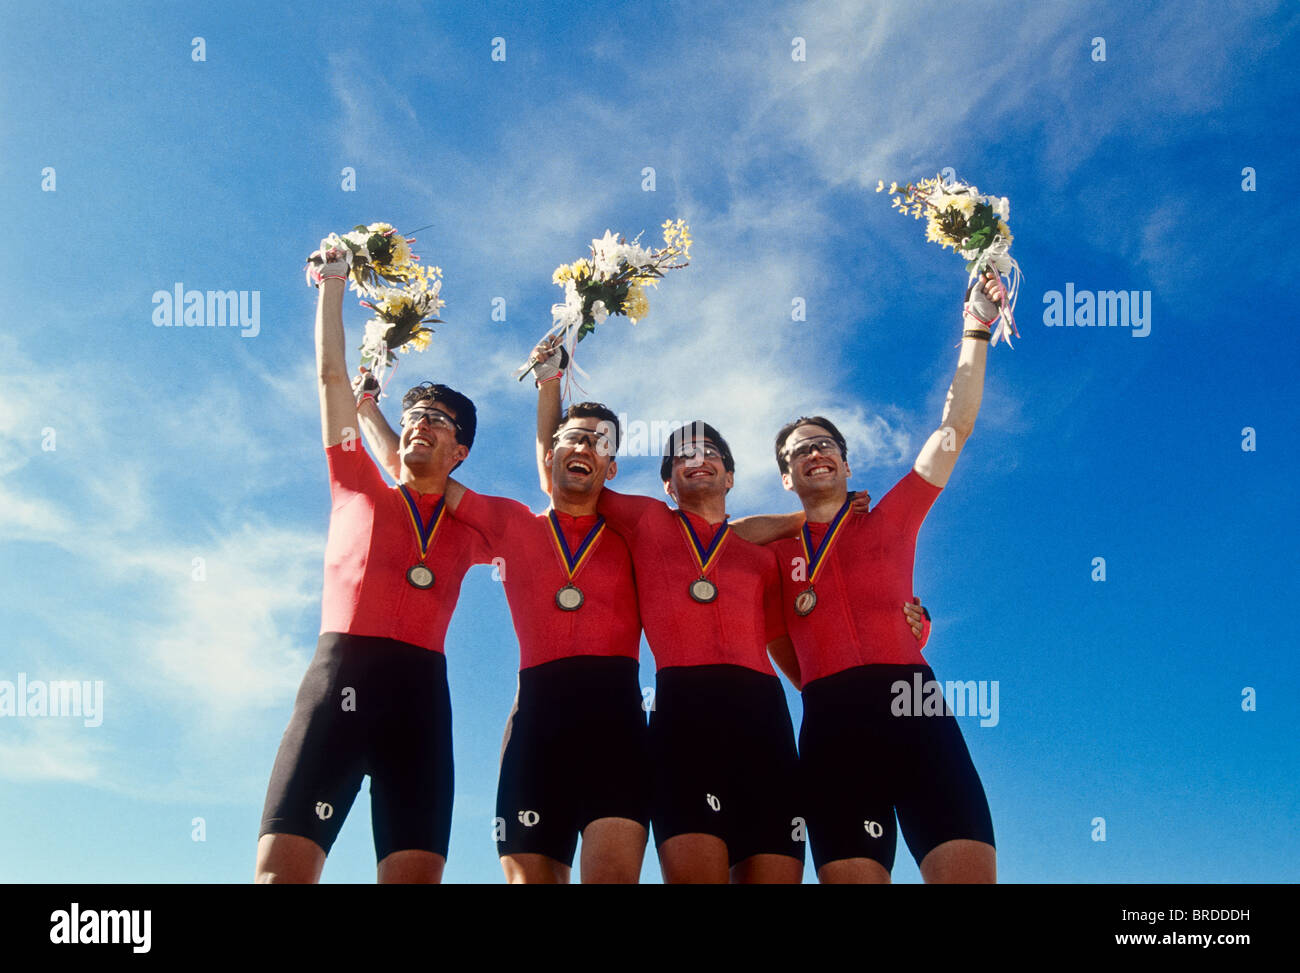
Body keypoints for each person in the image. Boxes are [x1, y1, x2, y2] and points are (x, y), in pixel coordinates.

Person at [529, 345, 928, 883]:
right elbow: (564, 472)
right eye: (681, 458)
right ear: (667, 485)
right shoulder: (647, 523)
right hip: (683, 723)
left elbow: (802, 626)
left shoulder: (764, 556)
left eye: (710, 452)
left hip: (766, 724)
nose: (698, 460)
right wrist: (550, 384)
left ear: (731, 476)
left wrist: (912, 625)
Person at [356, 348, 649, 884]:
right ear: (551, 456)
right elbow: (417, 469)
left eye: (600, 442)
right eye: (573, 438)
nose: (584, 447)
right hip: (534, 725)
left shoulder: (637, 533)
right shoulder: (513, 525)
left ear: (612, 467)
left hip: (619, 728)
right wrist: (365, 406)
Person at [255, 247, 490, 883]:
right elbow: (333, 382)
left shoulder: (471, 529)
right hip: (337, 682)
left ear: (459, 449)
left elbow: (556, 527)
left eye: (438, 421)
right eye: (413, 416)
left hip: (420, 701)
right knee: (280, 876)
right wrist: (331, 287)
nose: (421, 426)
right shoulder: (356, 484)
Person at [767, 270, 1005, 884]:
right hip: (832, 724)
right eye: (799, 451)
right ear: (787, 477)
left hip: (916, 707)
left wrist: (975, 328)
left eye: (825, 445)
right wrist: (820, 683)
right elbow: (771, 633)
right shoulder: (771, 551)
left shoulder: (891, 516)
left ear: (846, 463)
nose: (814, 452)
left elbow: (954, 430)